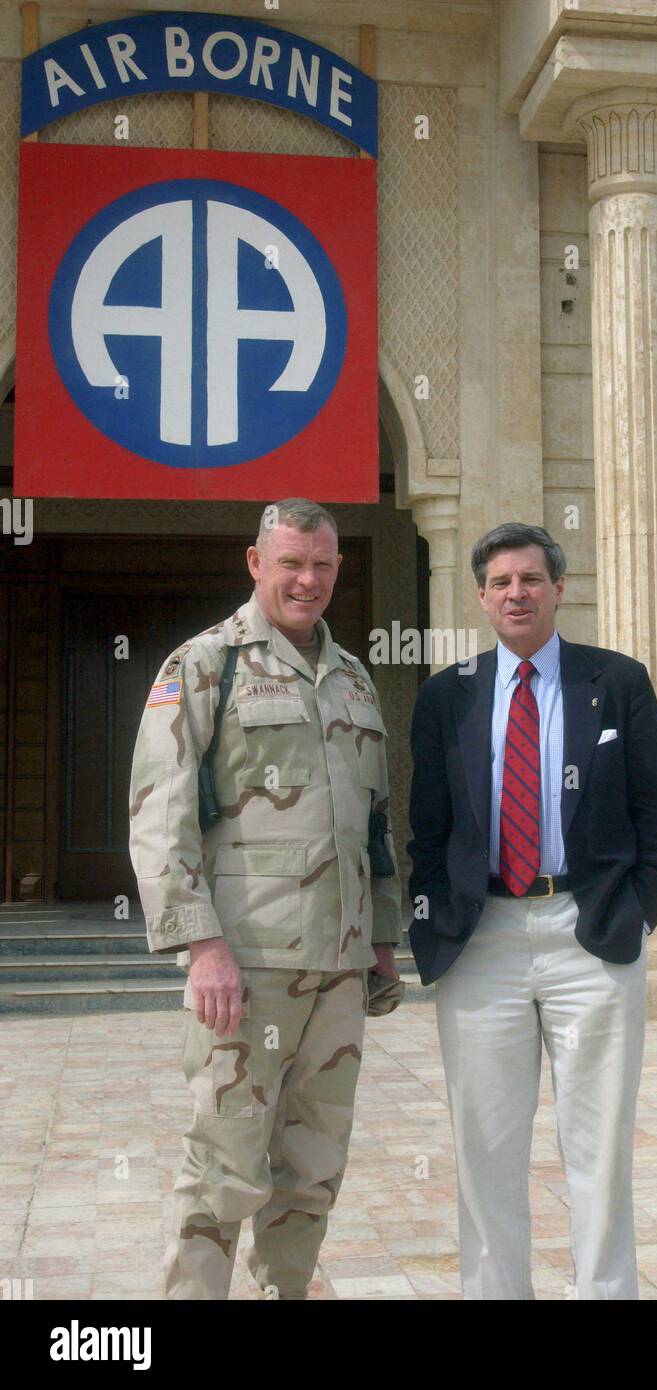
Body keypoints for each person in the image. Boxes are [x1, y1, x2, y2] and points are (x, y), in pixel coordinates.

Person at [129, 497, 402, 1300]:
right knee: (223, 1167)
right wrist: (200, 945)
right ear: (256, 564)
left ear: (337, 568)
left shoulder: (353, 678)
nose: (306, 579)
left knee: (313, 1170)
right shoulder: (203, 663)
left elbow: (374, 823)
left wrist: (382, 938)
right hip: (248, 967)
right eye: (290, 562)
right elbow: (159, 810)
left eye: (321, 564)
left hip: (340, 967)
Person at [407, 521, 657, 1300]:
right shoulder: (445, 694)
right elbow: (429, 828)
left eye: (530, 579)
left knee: (597, 1146)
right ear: (481, 598)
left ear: (559, 589)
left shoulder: (616, 681)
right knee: (484, 1148)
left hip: (589, 934)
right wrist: (433, 922)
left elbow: (653, 810)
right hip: (480, 936)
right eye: (499, 583)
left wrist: (640, 905)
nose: (515, 594)